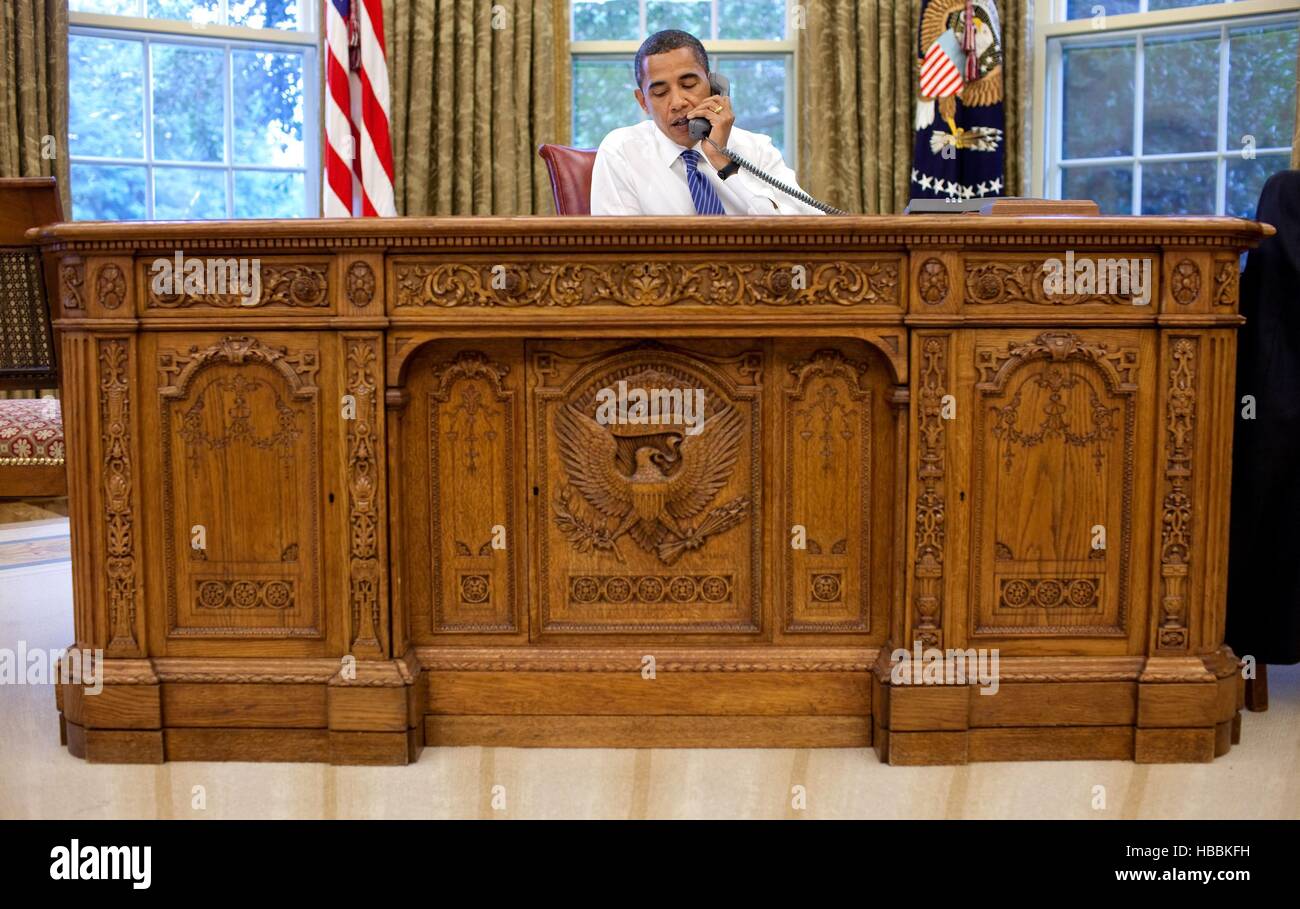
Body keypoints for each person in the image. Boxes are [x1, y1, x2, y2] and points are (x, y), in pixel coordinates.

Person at [590, 29, 823, 216]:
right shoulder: (621, 151)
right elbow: (618, 252)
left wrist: (724, 163)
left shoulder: (756, 149)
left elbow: (809, 233)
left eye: (689, 85)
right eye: (660, 92)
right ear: (643, 102)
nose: (678, 102)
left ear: (713, 85)